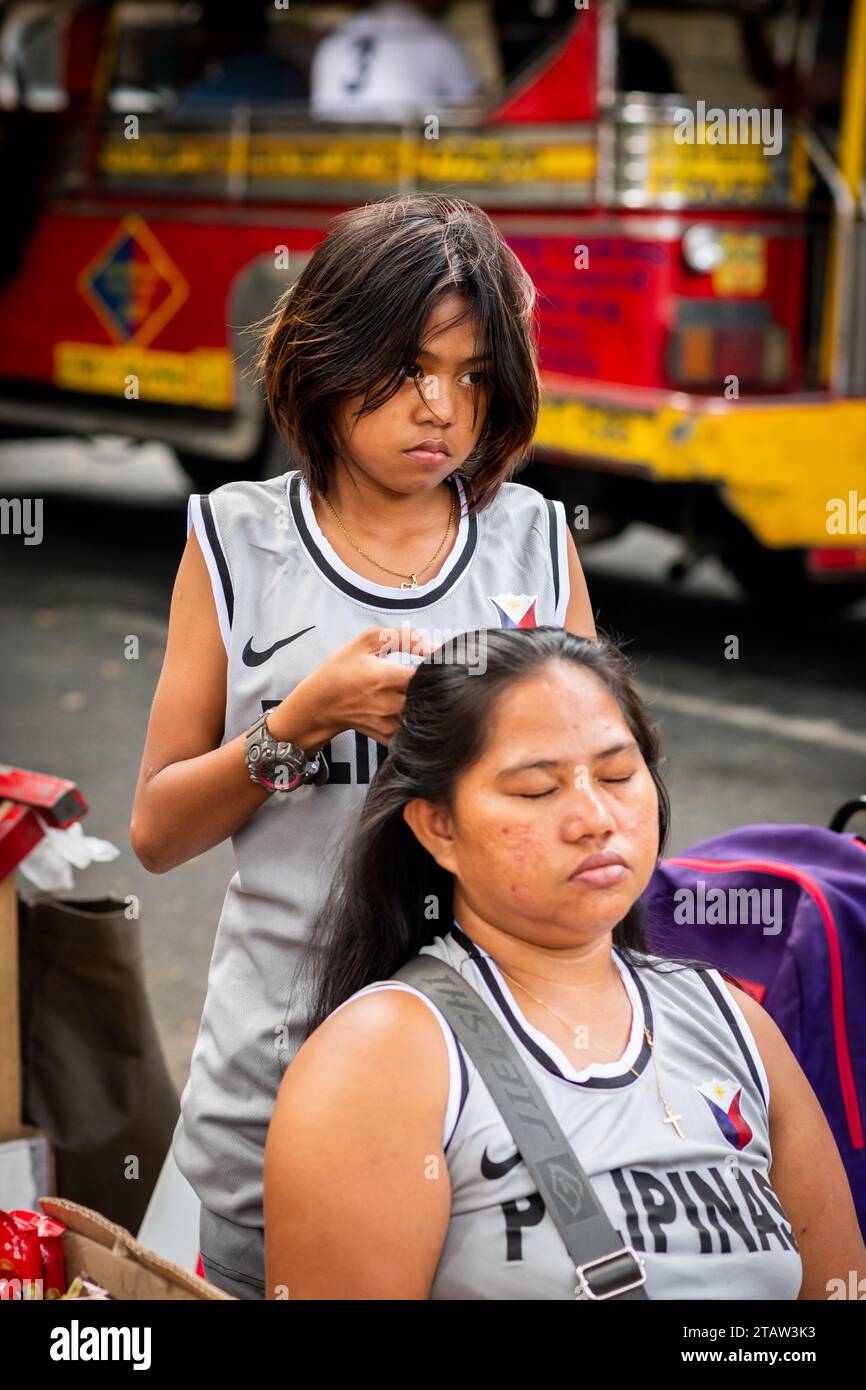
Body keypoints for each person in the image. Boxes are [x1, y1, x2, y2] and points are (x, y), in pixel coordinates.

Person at [129, 193, 596, 1299]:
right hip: (277, 1070)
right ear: (327, 358)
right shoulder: (236, 541)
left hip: (505, 1075)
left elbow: (607, 799)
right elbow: (155, 831)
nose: (440, 407)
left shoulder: (530, 541)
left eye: (474, 375)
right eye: (407, 367)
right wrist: (300, 721)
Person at [264, 627, 866, 1299]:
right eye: (536, 790)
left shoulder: (736, 1025)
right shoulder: (385, 1057)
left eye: (616, 775)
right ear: (438, 827)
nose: (594, 816)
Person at [311, 1, 480, 121]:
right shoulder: (435, 37)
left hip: (337, 158)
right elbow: (473, 110)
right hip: (403, 160)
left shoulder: (335, 38)